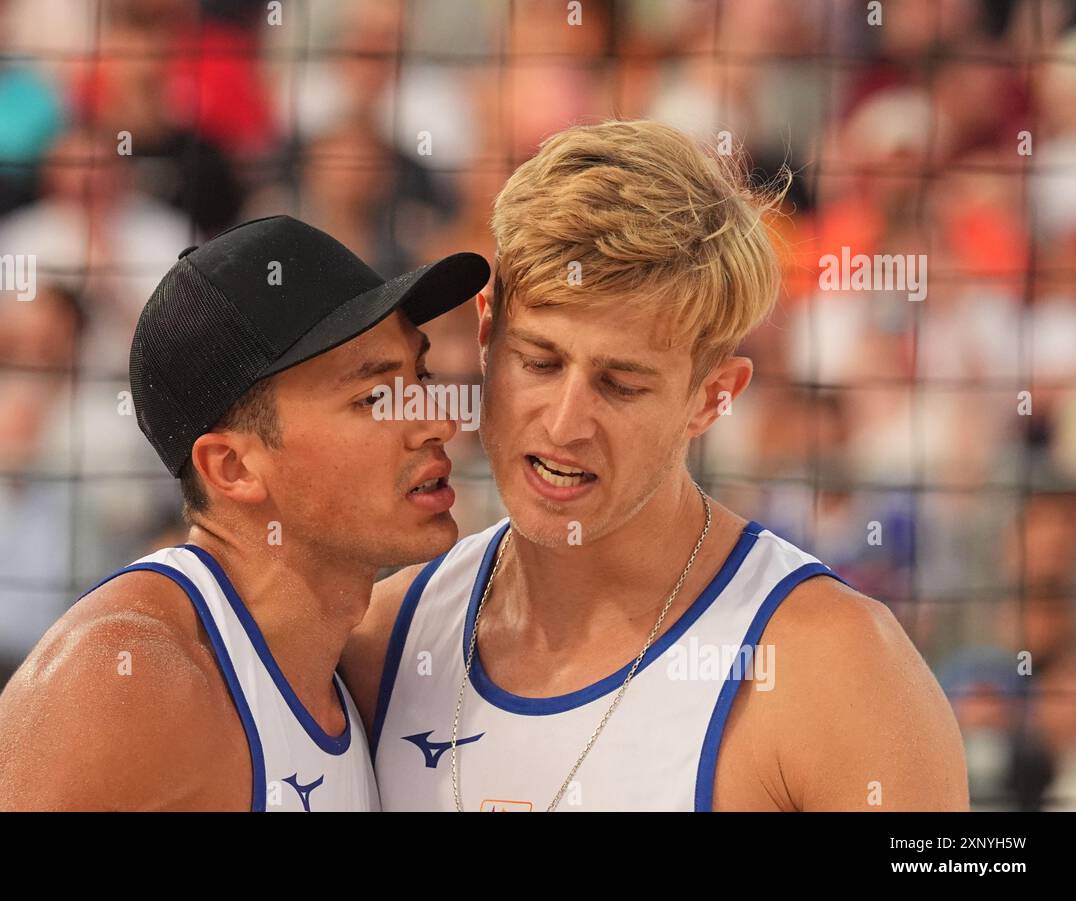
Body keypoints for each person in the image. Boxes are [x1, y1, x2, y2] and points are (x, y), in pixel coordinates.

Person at [341, 120, 970, 811]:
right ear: (486, 330)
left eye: (621, 384)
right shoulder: (380, 643)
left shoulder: (836, 668)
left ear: (713, 397)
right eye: (540, 361)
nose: (563, 423)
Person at [0, 215, 489, 810]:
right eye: (373, 397)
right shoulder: (127, 677)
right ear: (232, 468)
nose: (440, 421)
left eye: (419, 374)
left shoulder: (357, 673)